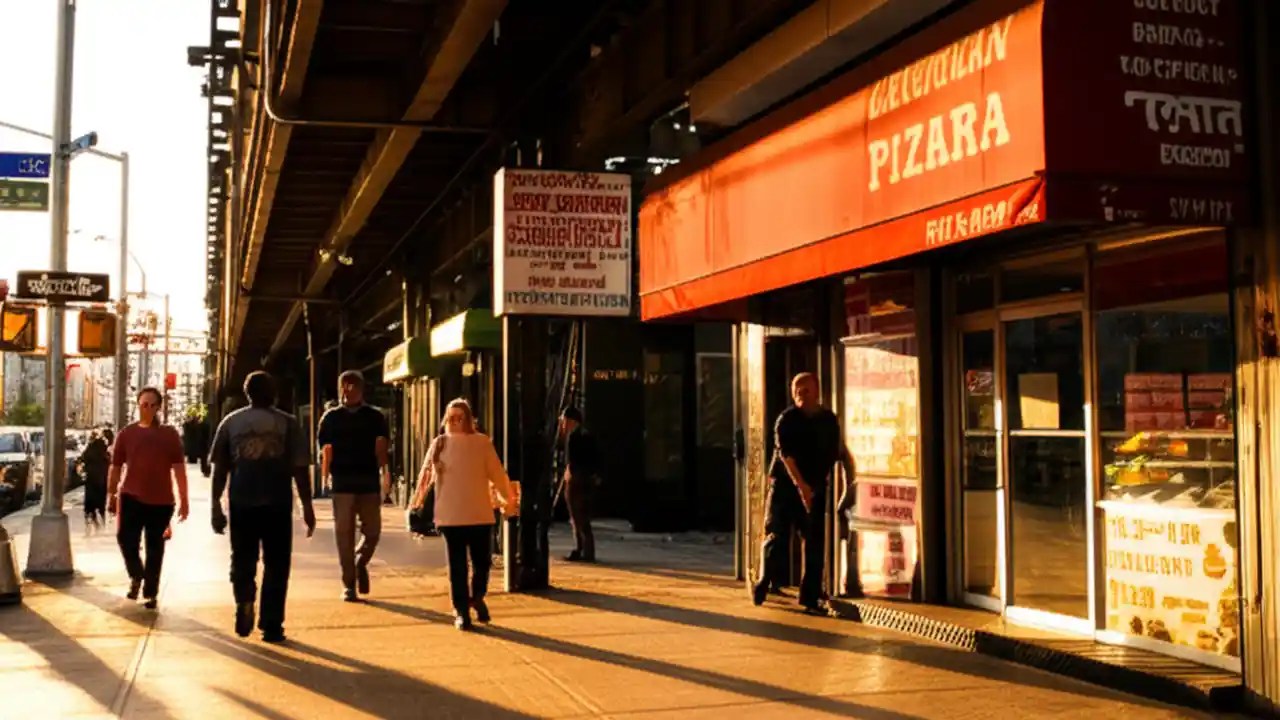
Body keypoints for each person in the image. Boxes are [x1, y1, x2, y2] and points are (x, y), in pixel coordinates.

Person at [210, 371, 316, 643]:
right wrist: (307, 505)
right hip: (277, 503)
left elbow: (220, 469)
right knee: (277, 563)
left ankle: (244, 599)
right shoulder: (288, 424)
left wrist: (215, 507)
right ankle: (271, 625)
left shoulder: (230, 422)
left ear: (247, 394)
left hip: (242, 502)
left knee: (242, 557)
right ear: (273, 394)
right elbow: (300, 469)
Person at [751, 372, 852, 614]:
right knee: (776, 535)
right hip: (785, 486)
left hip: (815, 485)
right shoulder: (786, 420)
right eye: (796, 390)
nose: (800, 395)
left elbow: (832, 453)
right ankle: (765, 579)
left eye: (805, 390)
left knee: (814, 541)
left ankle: (810, 596)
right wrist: (801, 487)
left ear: (817, 392)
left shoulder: (828, 420)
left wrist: (830, 484)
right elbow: (787, 457)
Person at [410, 398, 515, 630]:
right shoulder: (439, 444)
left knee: (482, 564)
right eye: (450, 417)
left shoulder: (482, 443)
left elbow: (497, 473)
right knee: (457, 567)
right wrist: (416, 503)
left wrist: (508, 499)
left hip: (479, 513)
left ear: (469, 420)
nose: (455, 422)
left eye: (460, 417)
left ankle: (476, 597)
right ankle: (461, 611)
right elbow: (425, 476)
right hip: (450, 516)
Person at [108, 388, 190, 609]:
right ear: (138, 405)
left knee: (155, 547)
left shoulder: (169, 435)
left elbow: (179, 469)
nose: (148, 409)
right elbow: (115, 467)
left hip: (162, 501)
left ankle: (150, 592)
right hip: (131, 496)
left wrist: (184, 499)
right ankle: (137, 575)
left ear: (159, 408)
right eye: (144, 404)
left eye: (153, 405)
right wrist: (111, 493)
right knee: (126, 538)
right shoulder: (126, 434)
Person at [317, 370, 391, 602]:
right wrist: (324, 479)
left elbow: (382, 449)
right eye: (344, 386)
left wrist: (385, 477)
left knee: (373, 531)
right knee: (344, 534)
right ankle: (349, 583)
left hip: (368, 482)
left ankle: (360, 561)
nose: (348, 391)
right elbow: (324, 452)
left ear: (361, 389)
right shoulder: (330, 418)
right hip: (342, 484)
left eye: (352, 386)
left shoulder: (375, 417)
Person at [559, 406, 598, 563]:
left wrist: (569, 473)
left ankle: (582, 549)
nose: (563, 425)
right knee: (583, 515)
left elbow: (571, 460)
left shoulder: (573, 437)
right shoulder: (588, 434)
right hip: (587, 478)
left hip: (576, 479)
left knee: (577, 515)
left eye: (564, 421)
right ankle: (585, 549)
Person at [80, 431, 110, 530]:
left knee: (89, 506)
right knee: (101, 506)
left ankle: (89, 526)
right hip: (102, 482)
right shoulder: (105, 454)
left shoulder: (89, 452)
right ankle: (102, 525)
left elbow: (81, 460)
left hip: (91, 481)